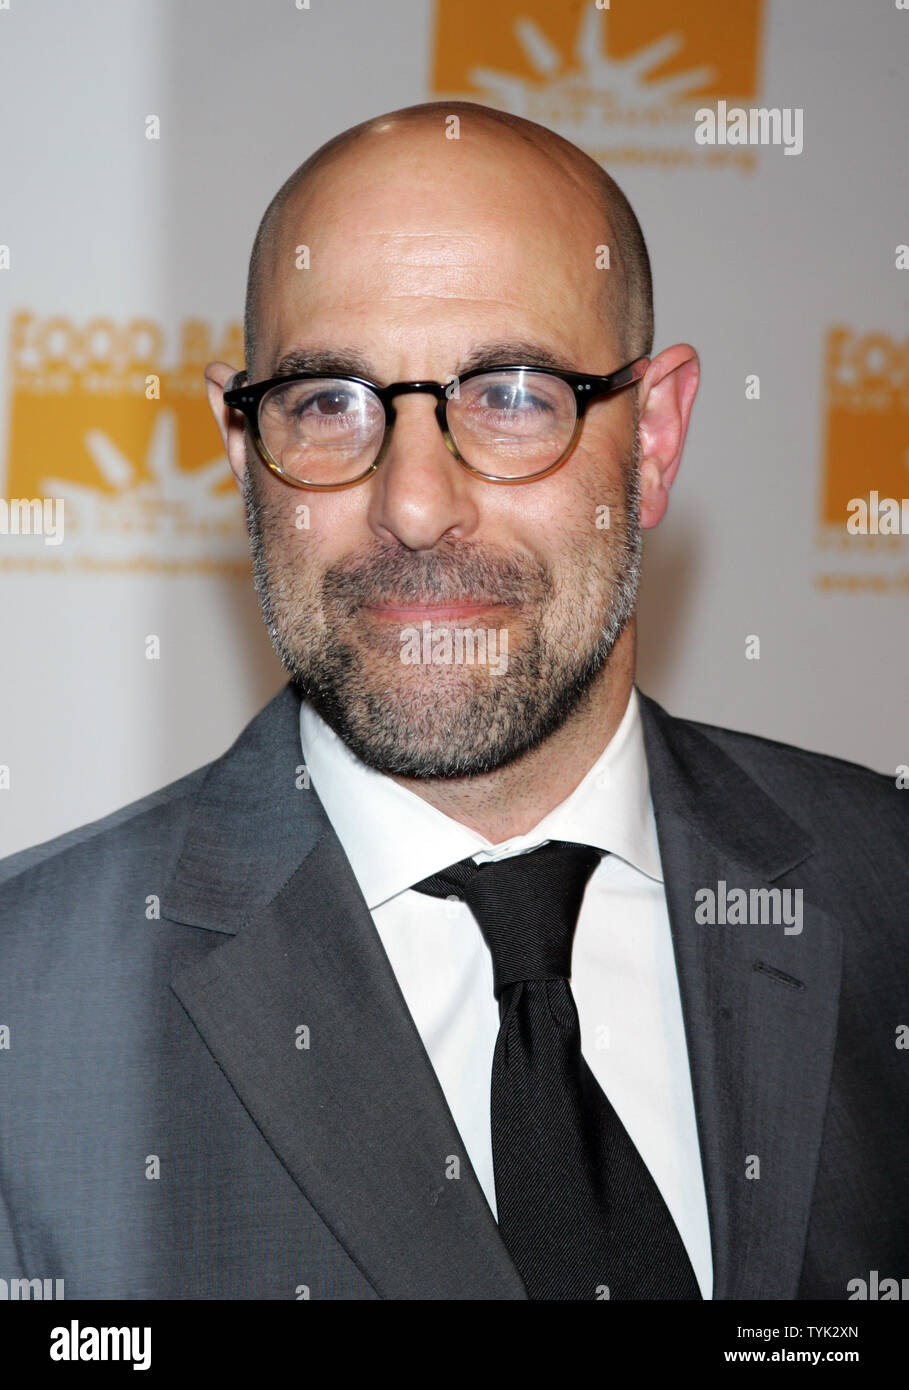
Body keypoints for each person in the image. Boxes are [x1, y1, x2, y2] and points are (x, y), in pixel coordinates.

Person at [0, 101, 906, 1302]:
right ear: (239, 445)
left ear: (655, 439)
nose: (415, 505)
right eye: (328, 401)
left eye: (513, 394)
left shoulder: (882, 887)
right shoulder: (30, 1014)